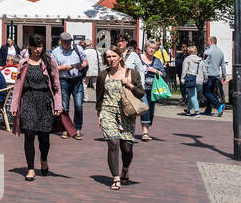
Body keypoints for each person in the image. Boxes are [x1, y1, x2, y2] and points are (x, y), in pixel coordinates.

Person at [8, 35, 65, 182]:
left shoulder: (49, 60)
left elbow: (56, 84)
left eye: (41, 46)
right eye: (36, 47)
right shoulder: (24, 62)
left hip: (45, 101)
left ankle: (44, 159)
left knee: (44, 138)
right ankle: (30, 168)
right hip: (28, 101)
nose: (38, 50)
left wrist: (58, 105)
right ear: (30, 47)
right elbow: (17, 86)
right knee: (29, 135)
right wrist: (14, 105)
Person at [96, 46, 145, 190]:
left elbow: (141, 93)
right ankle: (116, 178)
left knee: (127, 149)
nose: (111, 59)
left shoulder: (132, 73)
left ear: (120, 57)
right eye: (108, 57)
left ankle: (125, 168)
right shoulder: (103, 75)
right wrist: (99, 114)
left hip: (126, 114)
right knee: (113, 143)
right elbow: (99, 97)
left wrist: (129, 84)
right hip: (108, 112)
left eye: (113, 56)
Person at [51, 31, 88, 140]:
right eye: (65, 42)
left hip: (77, 80)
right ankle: (65, 129)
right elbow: (53, 67)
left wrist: (81, 66)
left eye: (69, 42)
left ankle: (77, 128)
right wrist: (65, 67)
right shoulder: (56, 52)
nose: (68, 44)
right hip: (63, 80)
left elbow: (85, 62)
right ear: (61, 42)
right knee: (64, 107)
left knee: (78, 106)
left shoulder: (78, 49)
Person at [138, 41, 164, 141]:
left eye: (154, 48)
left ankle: (146, 130)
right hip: (141, 88)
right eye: (150, 47)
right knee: (145, 107)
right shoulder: (139, 58)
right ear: (146, 48)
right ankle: (145, 132)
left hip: (153, 89)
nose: (152, 50)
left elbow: (164, 74)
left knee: (151, 111)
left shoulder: (157, 61)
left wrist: (155, 71)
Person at [201, 38, 226, 117]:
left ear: (211, 42)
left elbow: (204, 63)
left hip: (209, 75)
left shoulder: (208, 51)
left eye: (208, 41)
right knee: (211, 93)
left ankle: (219, 105)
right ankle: (208, 110)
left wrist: (202, 73)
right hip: (216, 76)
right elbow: (223, 65)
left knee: (206, 92)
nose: (207, 42)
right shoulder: (220, 52)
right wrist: (224, 75)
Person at [179, 45, 205, 116]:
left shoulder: (187, 59)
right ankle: (188, 110)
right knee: (191, 95)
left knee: (193, 96)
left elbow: (184, 70)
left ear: (189, 51)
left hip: (191, 80)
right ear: (196, 51)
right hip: (200, 80)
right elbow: (204, 71)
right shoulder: (200, 60)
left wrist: (182, 78)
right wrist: (205, 79)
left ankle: (197, 111)